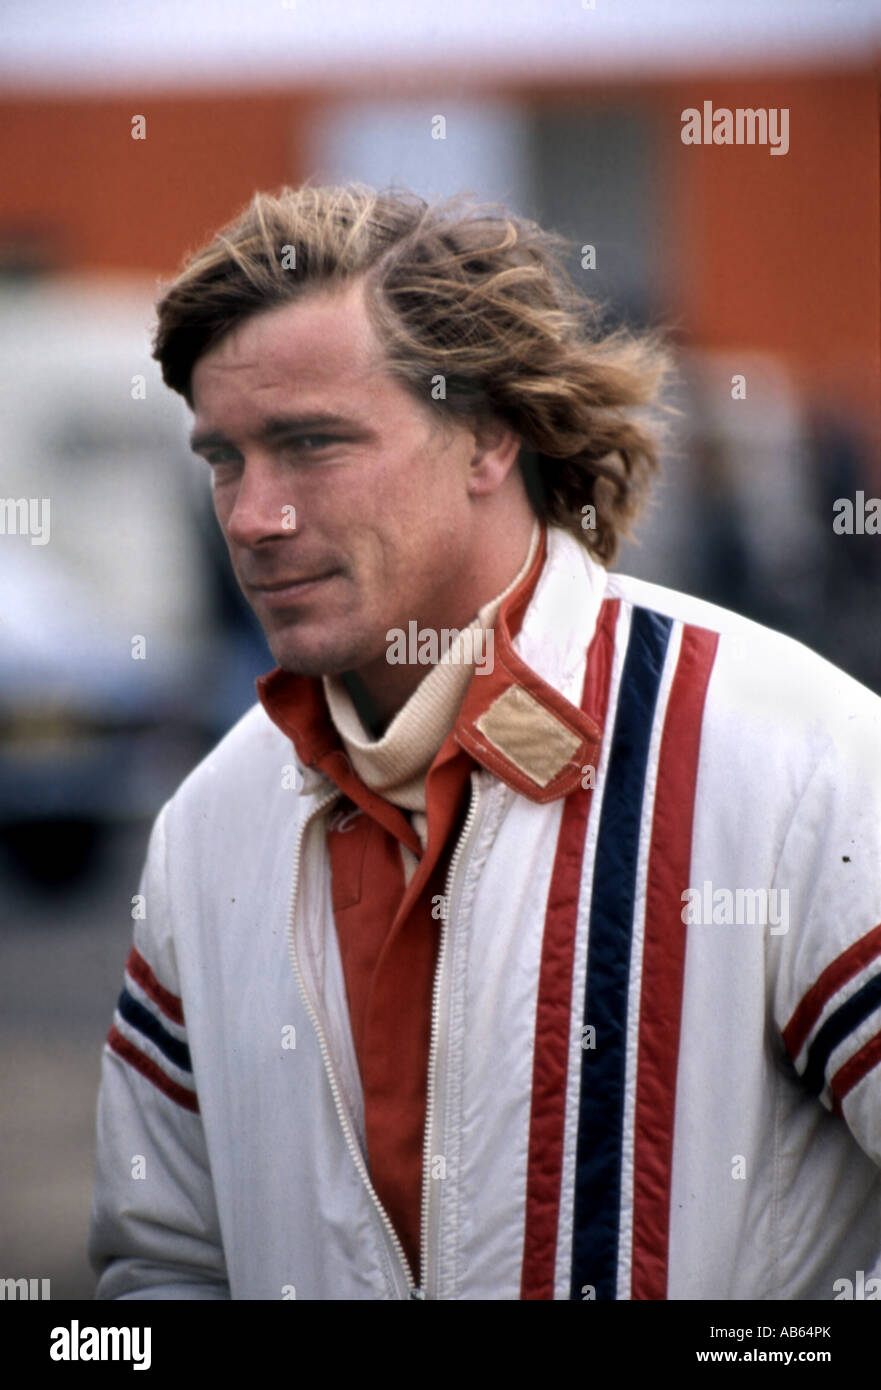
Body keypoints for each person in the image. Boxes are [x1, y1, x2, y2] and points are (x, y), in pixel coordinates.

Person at [88, 184, 881, 1301]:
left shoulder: (797, 760)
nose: (253, 516)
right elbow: (161, 1262)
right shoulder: (209, 827)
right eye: (225, 457)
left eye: (311, 444)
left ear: (486, 437)